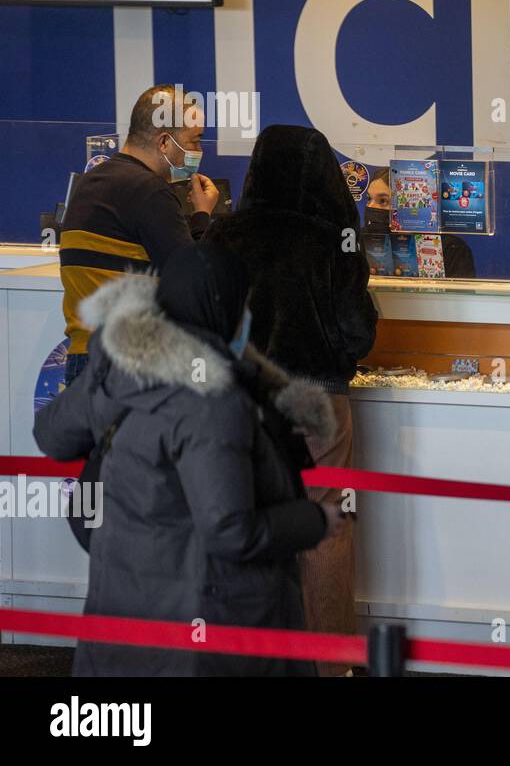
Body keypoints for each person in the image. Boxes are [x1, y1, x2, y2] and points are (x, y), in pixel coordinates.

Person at [33, 243, 344, 676]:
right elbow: (229, 529)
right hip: (205, 623)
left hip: (123, 616)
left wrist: (108, 386)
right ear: (225, 309)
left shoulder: (122, 369)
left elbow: (50, 435)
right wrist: (314, 520)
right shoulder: (212, 398)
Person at [204, 125, 376, 676]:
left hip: (240, 404)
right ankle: (331, 666)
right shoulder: (334, 242)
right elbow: (357, 331)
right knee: (327, 530)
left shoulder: (224, 236)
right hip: (319, 402)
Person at [58, 84, 219, 386]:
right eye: (194, 140)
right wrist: (202, 216)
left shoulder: (89, 183)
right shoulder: (150, 191)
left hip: (82, 362)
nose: (199, 151)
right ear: (164, 142)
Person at [366, 166, 477, 278]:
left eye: (383, 201)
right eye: (369, 199)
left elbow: (458, 294)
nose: (371, 206)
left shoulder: (451, 248)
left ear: (408, 204)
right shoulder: (361, 240)